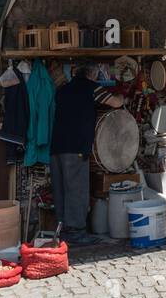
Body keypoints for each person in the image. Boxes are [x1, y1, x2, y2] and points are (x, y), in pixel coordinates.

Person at [50, 64, 124, 239]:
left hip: (56, 146)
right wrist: (122, 97)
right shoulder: (91, 87)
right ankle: (76, 231)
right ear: (92, 74)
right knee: (76, 189)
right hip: (75, 146)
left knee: (61, 188)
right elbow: (115, 102)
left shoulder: (63, 90)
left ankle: (63, 228)